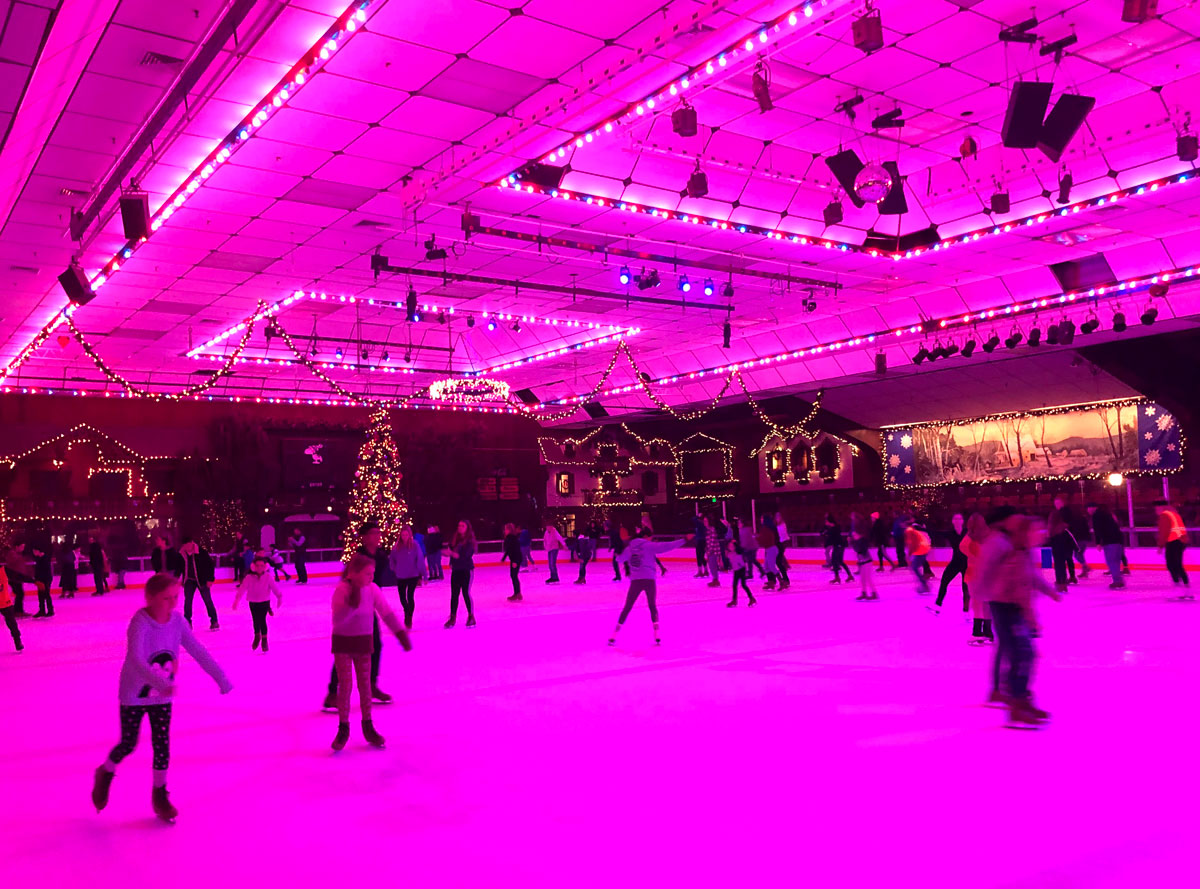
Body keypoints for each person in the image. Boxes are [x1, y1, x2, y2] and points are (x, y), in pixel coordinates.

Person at [90, 572, 233, 822]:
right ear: (150, 598)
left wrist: (220, 677)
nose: (173, 603)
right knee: (129, 744)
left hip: (161, 696)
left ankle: (160, 795)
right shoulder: (140, 622)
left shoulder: (177, 622)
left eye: (176, 597)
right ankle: (105, 772)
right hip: (134, 693)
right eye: (166, 598)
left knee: (162, 745)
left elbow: (198, 651)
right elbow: (135, 659)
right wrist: (161, 682)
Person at [974, 508, 1061, 728]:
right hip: (1003, 605)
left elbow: (1030, 577)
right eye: (1037, 531)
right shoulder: (1002, 544)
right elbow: (985, 573)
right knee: (1018, 651)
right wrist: (980, 601)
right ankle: (1014, 701)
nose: (1042, 535)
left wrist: (1049, 592)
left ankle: (1019, 700)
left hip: (1015, 605)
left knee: (1022, 652)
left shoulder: (1021, 548)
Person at [329, 554, 412, 751]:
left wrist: (400, 634)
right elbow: (337, 620)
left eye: (372, 573)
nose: (371, 577)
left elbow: (386, 612)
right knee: (346, 686)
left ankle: (368, 725)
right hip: (343, 644)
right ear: (355, 573)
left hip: (364, 644)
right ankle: (343, 728)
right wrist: (353, 605)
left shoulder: (372, 589)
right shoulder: (342, 589)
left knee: (365, 686)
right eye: (367, 574)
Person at [322, 524, 394, 711]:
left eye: (378, 533)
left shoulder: (380, 555)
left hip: (369, 607)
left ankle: (371, 686)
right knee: (346, 649)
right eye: (373, 533)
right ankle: (332, 694)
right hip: (353, 609)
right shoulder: (358, 558)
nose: (377, 536)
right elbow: (346, 580)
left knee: (375, 645)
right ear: (364, 537)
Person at [609, 527, 690, 646]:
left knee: (627, 607)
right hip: (649, 580)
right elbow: (666, 546)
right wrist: (683, 540)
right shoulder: (649, 545)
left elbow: (620, 559)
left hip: (636, 581)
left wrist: (617, 554)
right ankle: (657, 634)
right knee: (652, 605)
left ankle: (614, 635)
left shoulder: (630, 547)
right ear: (646, 537)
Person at [233, 551, 283, 651]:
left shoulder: (268, 577)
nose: (259, 568)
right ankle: (257, 636)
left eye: (261, 566)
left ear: (265, 566)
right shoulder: (249, 577)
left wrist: (279, 597)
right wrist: (237, 600)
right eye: (257, 566)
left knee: (262, 620)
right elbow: (242, 588)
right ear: (254, 566)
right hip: (253, 602)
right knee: (255, 620)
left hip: (264, 601)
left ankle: (264, 639)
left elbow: (275, 588)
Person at [958, 513, 994, 645]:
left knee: (977, 603)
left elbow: (962, 547)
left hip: (974, 573)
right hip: (988, 573)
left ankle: (977, 632)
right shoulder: (989, 536)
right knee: (986, 603)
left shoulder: (969, 539)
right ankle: (988, 632)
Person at [932, 513, 969, 614]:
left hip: (967, 564)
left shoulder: (968, 532)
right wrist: (921, 529)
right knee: (944, 582)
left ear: (962, 521)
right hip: (955, 563)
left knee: (965, 587)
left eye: (959, 518)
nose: (957, 520)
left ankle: (966, 610)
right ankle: (938, 605)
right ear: (952, 521)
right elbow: (936, 533)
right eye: (955, 519)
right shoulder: (950, 533)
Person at [389, 524, 425, 628]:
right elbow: (392, 559)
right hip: (401, 575)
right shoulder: (396, 547)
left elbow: (420, 559)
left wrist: (423, 574)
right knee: (402, 597)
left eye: (406, 535)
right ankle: (406, 610)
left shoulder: (415, 545)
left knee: (410, 596)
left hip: (412, 575)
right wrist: (394, 568)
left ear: (409, 535)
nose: (404, 537)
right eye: (403, 535)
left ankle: (409, 617)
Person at [179, 537, 219, 630]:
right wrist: (180, 579)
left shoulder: (201, 552)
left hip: (202, 580)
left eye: (188, 544)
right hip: (189, 580)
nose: (187, 547)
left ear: (192, 543)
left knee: (207, 600)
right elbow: (180, 567)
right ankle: (187, 622)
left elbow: (210, 565)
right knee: (188, 601)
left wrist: (210, 579)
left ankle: (214, 620)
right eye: (185, 545)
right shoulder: (181, 553)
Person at [444, 520, 478, 627]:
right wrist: (450, 557)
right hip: (456, 570)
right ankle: (453, 617)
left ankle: (471, 616)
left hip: (466, 570)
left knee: (465, 593)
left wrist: (453, 554)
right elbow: (451, 551)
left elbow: (465, 555)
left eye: (462, 526)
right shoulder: (455, 539)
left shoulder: (470, 541)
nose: (460, 527)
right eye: (459, 525)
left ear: (467, 528)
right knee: (454, 594)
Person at [1155, 500, 1191, 595]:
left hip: (1174, 542)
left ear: (1160, 507)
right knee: (1176, 565)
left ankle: (1181, 588)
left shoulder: (1164, 515)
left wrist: (1160, 546)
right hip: (1180, 541)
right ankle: (1185, 587)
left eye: (1156, 508)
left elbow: (1164, 532)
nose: (1155, 510)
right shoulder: (1173, 513)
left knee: (1172, 565)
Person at [1088, 503, 1126, 590]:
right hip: (1119, 540)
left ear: (1093, 508)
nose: (1088, 511)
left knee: (1111, 561)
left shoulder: (1096, 515)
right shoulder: (1108, 514)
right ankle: (1119, 580)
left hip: (1110, 541)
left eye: (1089, 508)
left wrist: (1098, 543)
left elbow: (1098, 530)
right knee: (1116, 561)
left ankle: (1117, 581)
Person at [1052, 496, 1086, 581]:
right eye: (1055, 503)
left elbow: (1066, 525)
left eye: (1058, 503)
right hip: (1067, 538)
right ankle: (1072, 576)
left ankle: (1067, 578)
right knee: (1069, 558)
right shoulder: (1064, 512)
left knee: (1065, 559)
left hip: (1064, 538)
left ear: (1062, 503)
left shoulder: (1063, 512)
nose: (1056, 505)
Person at [1046, 513, 1077, 594]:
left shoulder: (1051, 530)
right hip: (1064, 550)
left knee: (1058, 566)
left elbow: (1048, 542)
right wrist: (1076, 548)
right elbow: (1070, 539)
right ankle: (1063, 584)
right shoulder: (1064, 528)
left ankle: (1059, 583)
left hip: (1056, 551)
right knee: (1062, 566)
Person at [3, 542, 34, 617]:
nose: (23, 549)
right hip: (14, 578)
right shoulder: (12, 554)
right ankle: (17, 611)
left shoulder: (17, 554)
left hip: (17, 577)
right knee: (20, 593)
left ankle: (17, 610)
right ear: (17, 547)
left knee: (19, 593)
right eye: (22, 547)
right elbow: (11, 562)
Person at [904, 519, 932, 595]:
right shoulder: (916, 528)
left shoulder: (909, 530)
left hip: (920, 549)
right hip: (925, 548)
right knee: (916, 566)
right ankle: (924, 583)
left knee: (914, 567)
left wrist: (908, 555)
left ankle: (924, 584)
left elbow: (911, 543)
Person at [823, 514, 853, 584]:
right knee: (840, 561)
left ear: (829, 521)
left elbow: (831, 539)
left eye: (826, 521)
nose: (826, 522)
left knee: (834, 561)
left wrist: (826, 543)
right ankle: (849, 575)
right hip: (839, 545)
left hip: (838, 546)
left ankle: (837, 577)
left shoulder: (834, 529)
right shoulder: (834, 528)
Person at [726, 538, 756, 607]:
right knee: (734, 586)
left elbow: (741, 563)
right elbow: (731, 562)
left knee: (743, 585)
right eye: (729, 546)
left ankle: (751, 598)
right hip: (736, 571)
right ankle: (734, 600)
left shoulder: (738, 554)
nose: (730, 547)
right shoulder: (730, 554)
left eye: (731, 546)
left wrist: (744, 571)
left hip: (741, 570)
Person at [0, 566, 24, 652]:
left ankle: (17, 642)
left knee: (12, 623)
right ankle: (18, 642)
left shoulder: (3, 570)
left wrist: (32, 580)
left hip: (4, 602)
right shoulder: (3, 570)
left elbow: (18, 576)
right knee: (12, 623)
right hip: (5, 601)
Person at [501, 523, 525, 601]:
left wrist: (514, 561)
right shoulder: (511, 538)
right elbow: (508, 550)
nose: (505, 531)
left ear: (509, 530)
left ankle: (517, 593)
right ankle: (517, 593)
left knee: (514, 576)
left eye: (506, 529)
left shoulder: (511, 538)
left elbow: (514, 550)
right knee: (513, 576)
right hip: (515, 559)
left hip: (515, 559)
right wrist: (504, 558)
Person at [31, 543, 54, 618]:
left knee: (46, 595)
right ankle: (42, 610)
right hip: (41, 580)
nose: (33, 553)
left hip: (45, 580)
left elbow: (45, 571)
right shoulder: (39, 558)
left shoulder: (45, 558)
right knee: (41, 595)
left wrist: (41, 580)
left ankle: (50, 611)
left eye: (34, 551)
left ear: (37, 551)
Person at [758, 519, 779, 591]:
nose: (760, 520)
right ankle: (771, 582)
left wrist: (757, 539)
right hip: (769, 549)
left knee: (771, 566)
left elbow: (765, 540)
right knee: (766, 567)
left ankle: (781, 581)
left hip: (771, 549)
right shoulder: (767, 529)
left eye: (762, 518)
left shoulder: (766, 529)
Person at [703, 515, 722, 587]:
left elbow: (712, 540)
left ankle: (716, 580)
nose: (704, 522)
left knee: (713, 565)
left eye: (706, 521)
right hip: (710, 550)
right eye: (704, 521)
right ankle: (715, 579)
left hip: (713, 550)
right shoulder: (706, 529)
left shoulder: (712, 529)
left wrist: (709, 550)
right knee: (711, 565)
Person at [774, 510, 791, 587]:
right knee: (779, 556)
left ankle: (786, 566)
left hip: (783, 541)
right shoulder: (778, 525)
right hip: (781, 542)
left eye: (778, 517)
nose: (777, 519)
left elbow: (781, 534)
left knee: (779, 556)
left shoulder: (782, 525)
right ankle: (786, 565)